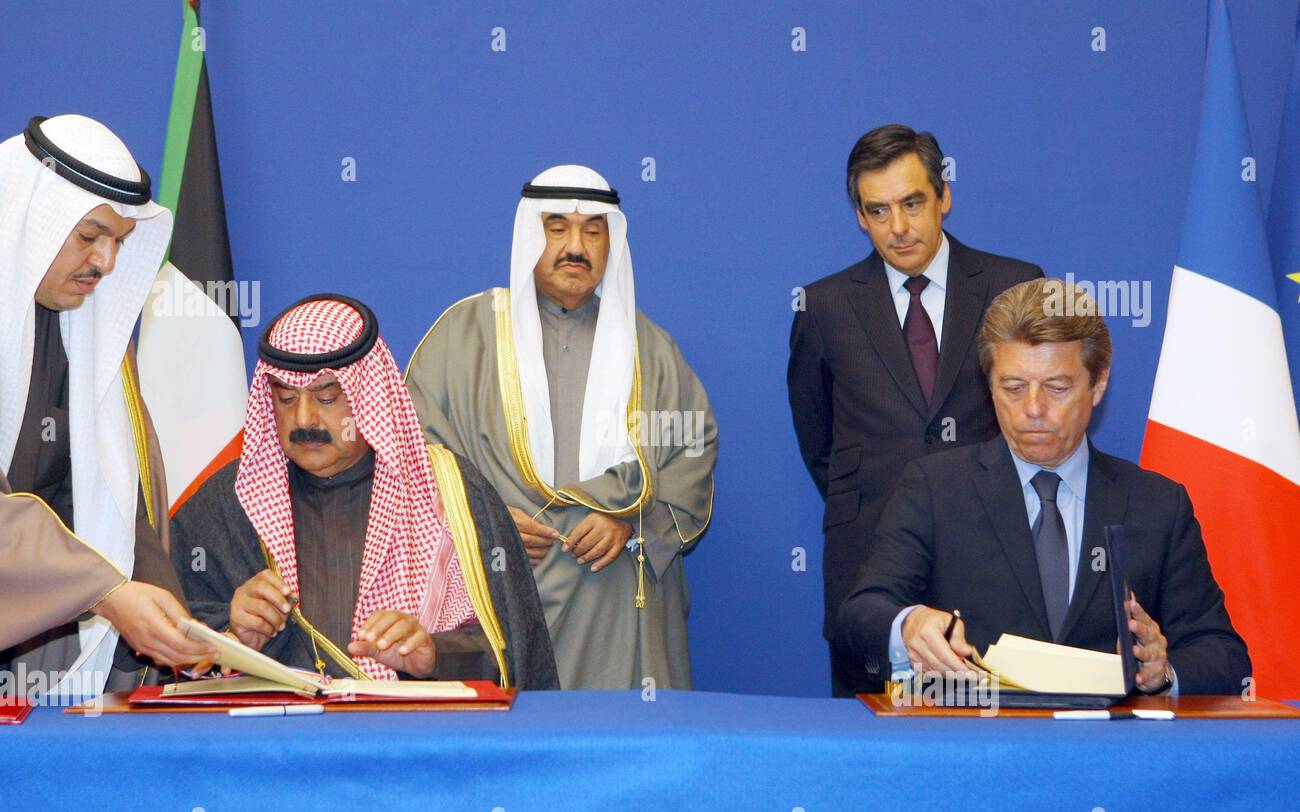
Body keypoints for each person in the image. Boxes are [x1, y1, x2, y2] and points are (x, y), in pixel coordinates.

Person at [835, 278, 1252, 696]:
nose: (1032, 409)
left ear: (1098, 383)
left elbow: (1225, 657)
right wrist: (908, 624)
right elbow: (860, 615)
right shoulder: (934, 488)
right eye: (1013, 388)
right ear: (989, 384)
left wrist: (1164, 672)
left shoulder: (1157, 503)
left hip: (1111, 753)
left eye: (1057, 387)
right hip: (976, 745)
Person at [406, 166, 717, 689]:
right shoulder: (462, 338)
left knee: (621, 756)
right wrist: (485, 522)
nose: (576, 246)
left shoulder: (650, 350)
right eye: (557, 228)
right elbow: (416, 455)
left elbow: (692, 450)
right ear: (530, 233)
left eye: (593, 231)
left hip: (616, 597)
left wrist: (633, 524)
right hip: (502, 587)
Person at [170, 294, 558, 688]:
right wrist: (232, 635)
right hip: (277, 743)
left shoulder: (450, 492)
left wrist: (432, 656)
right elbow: (165, 642)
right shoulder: (228, 503)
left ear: (370, 395)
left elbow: (514, 655)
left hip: (410, 742)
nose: (304, 418)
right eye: (286, 398)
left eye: (326, 397)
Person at [788, 123, 1044, 697]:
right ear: (858, 215)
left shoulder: (1015, 285)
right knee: (872, 760)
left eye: (912, 203)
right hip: (871, 569)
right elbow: (820, 442)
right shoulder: (822, 306)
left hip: (996, 556)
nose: (898, 228)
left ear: (944, 197)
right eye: (878, 211)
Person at [0, 115, 216, 696]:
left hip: (42, 647)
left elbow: (118, 506)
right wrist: (108, 593)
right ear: (32, 219)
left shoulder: (96, 340)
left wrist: (169, 618)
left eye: (119, 241)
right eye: (89, 235)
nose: (106, 263)